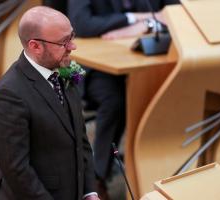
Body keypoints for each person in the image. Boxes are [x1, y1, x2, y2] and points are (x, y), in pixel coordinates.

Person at [68, 0, 180, 199]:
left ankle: (165, 166)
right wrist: (132, 19)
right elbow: (82, 24)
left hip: (150, 57)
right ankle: (96, 178)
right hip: (99, 65)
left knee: (170, 93)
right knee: (115, 102)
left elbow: (177, 13)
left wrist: (146, 25)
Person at [0, 6, 100, 200]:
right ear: (35, 46)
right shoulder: (9, 95)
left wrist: (89, 191)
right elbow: (17, 170)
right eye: (64, 41)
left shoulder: (62, 72)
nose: (73, 46)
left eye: (71, 36)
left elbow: (80, 140)